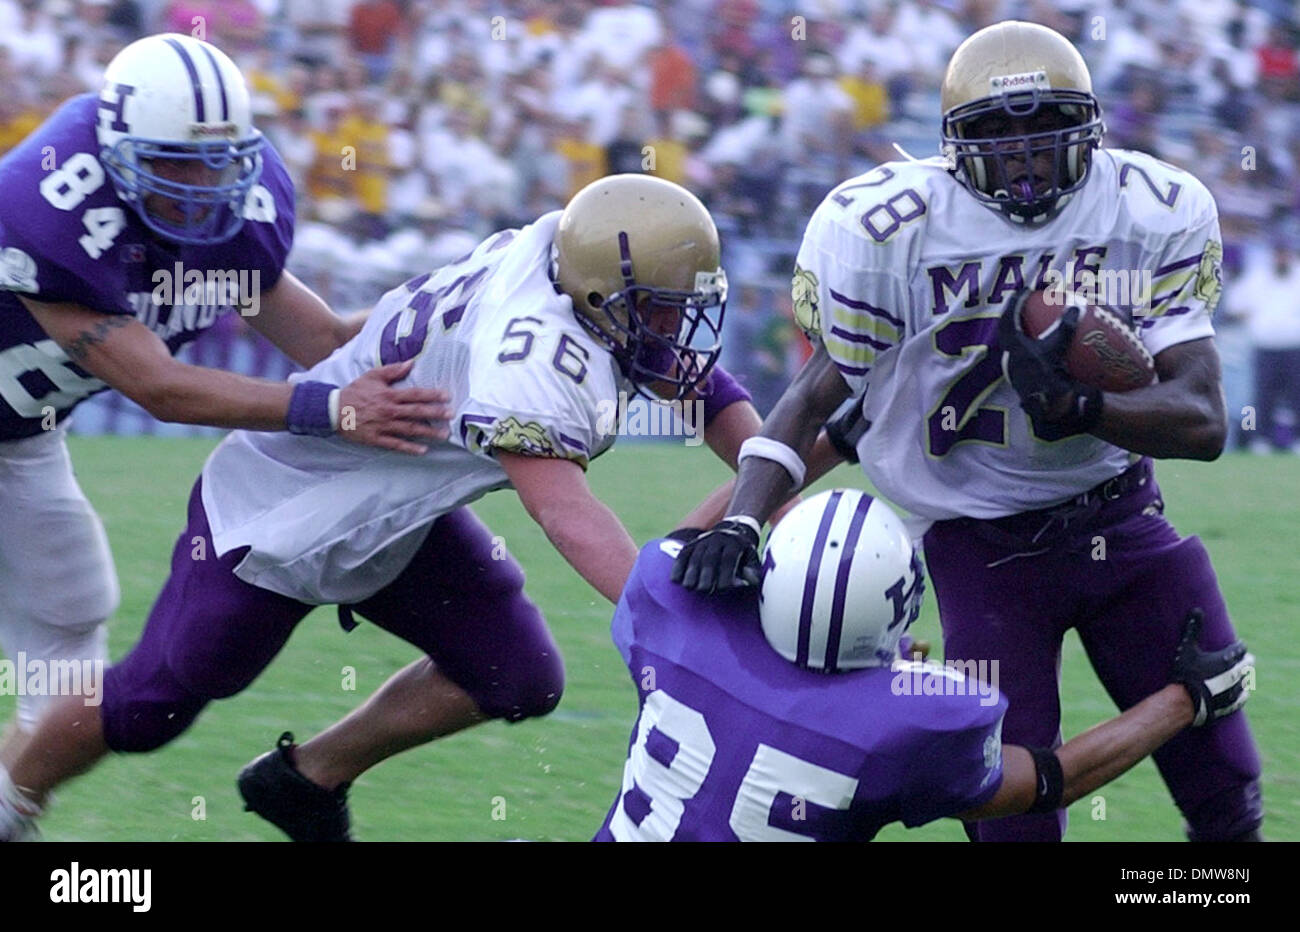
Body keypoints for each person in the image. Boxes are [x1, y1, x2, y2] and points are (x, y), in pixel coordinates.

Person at [0, 173, 767, 842]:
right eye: (656, 309)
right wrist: (670, 613)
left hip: (393, 514)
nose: (672, 329)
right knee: (149, 704)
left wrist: (769, 474)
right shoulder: (533, 348)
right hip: (284, 512)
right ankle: (13, 793)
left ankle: (304, 779)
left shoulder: (565, 254)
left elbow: (700, 387)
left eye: (678, 308)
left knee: (518, 677)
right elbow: (566, 512)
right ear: (603, 290)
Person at [673, 20, 1264, 842]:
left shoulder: (1149, 207)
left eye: (1043, 127)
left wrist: (1084, 410)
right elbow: (816, 397)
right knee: (1008, 815)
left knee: (1227, 791)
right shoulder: (886, 229)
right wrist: (740, 516)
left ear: (1089, 128)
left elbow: (1202, 421)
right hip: (976, 546)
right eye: (996, 130)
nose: (1022, 151)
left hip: (1119, 518)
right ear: (955, 143)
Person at [0, 33, 445, 770]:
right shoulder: (44, 206)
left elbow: (327, 339)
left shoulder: (241, 212)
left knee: (71, 607)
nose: (199, 186)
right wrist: (330, 409)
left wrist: (458, 304)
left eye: (216, 163)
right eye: (174, 162)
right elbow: (159, 387)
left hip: (17, 433)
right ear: (115, 152)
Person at [600, 490, 1253, 842]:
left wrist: (740, 514)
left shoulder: (675, 624)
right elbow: (1050, 780)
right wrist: (1186, 697)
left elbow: (672, 558)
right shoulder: (901, 725)